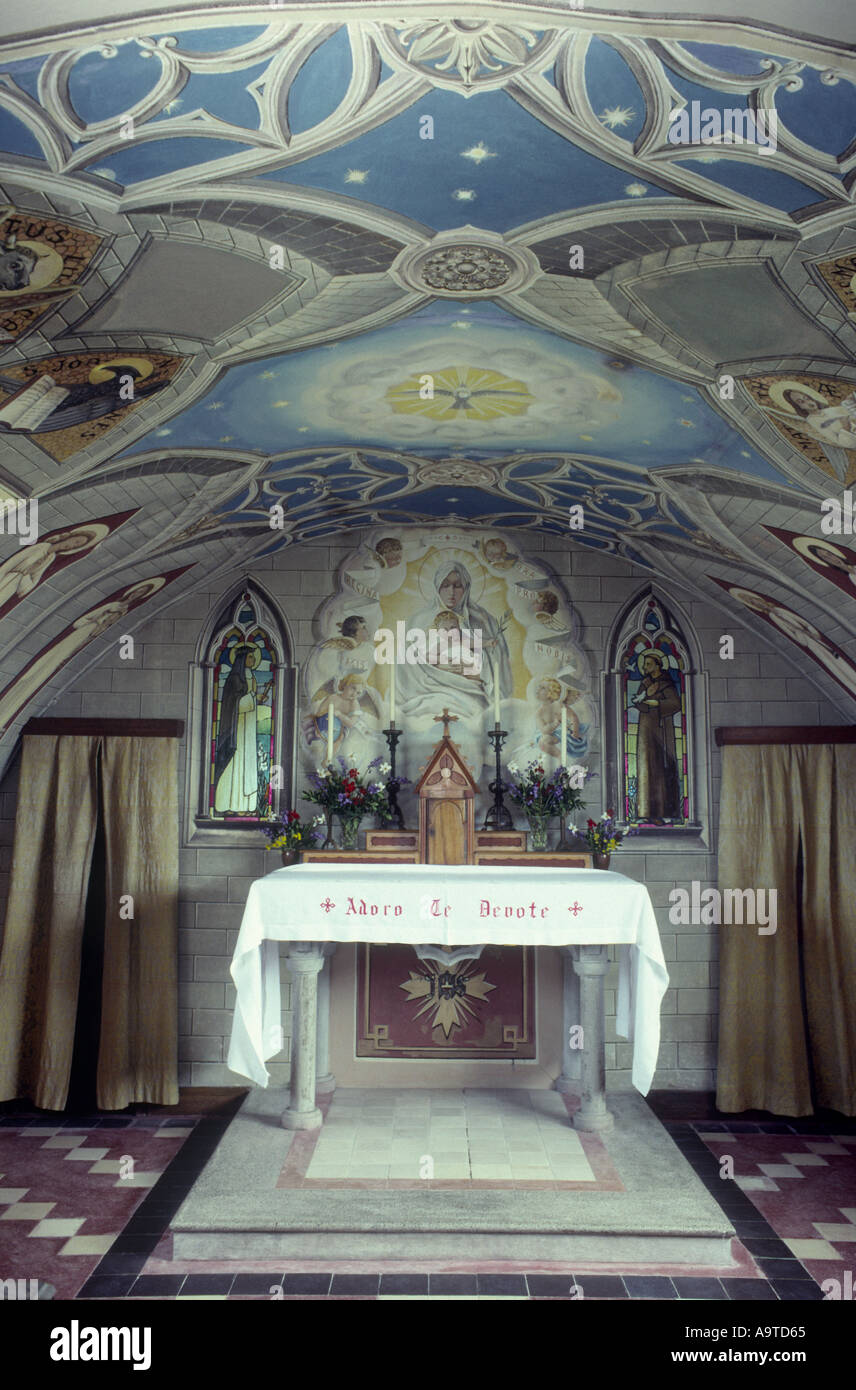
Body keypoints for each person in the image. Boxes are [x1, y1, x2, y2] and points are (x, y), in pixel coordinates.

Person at [631, 649, 682, 821]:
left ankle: (664, 812)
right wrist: (640, 702)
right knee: (645, 765)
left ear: (657, 665)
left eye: (648, 664)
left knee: (661, 766)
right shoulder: (646, 682)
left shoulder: (667, 683)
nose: (645, 667)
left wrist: (657, 703)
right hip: (645, 727)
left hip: (661, 728)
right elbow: (640, 703)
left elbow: (675, 703)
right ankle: (645, 812)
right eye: (644, 664)